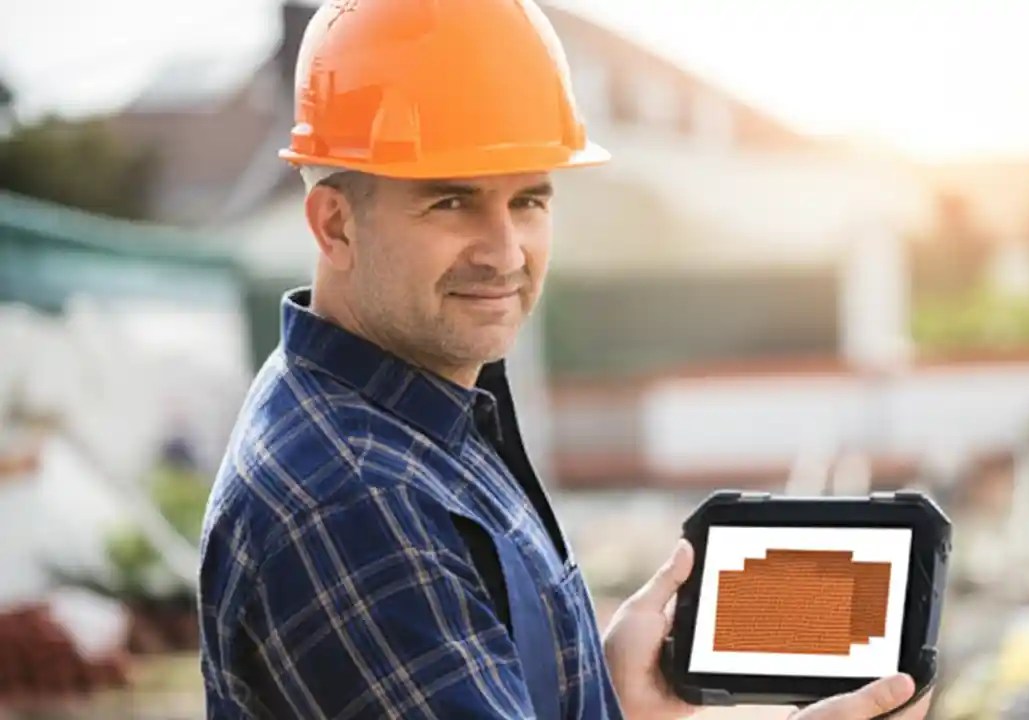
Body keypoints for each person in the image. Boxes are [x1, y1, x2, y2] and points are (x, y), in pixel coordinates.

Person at [197, 1, 933, 718]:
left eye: (529, 201)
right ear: (335, 224)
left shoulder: (412, 415)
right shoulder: (359, 502)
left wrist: (607, 697)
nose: (505, 252)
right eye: (450, 202)